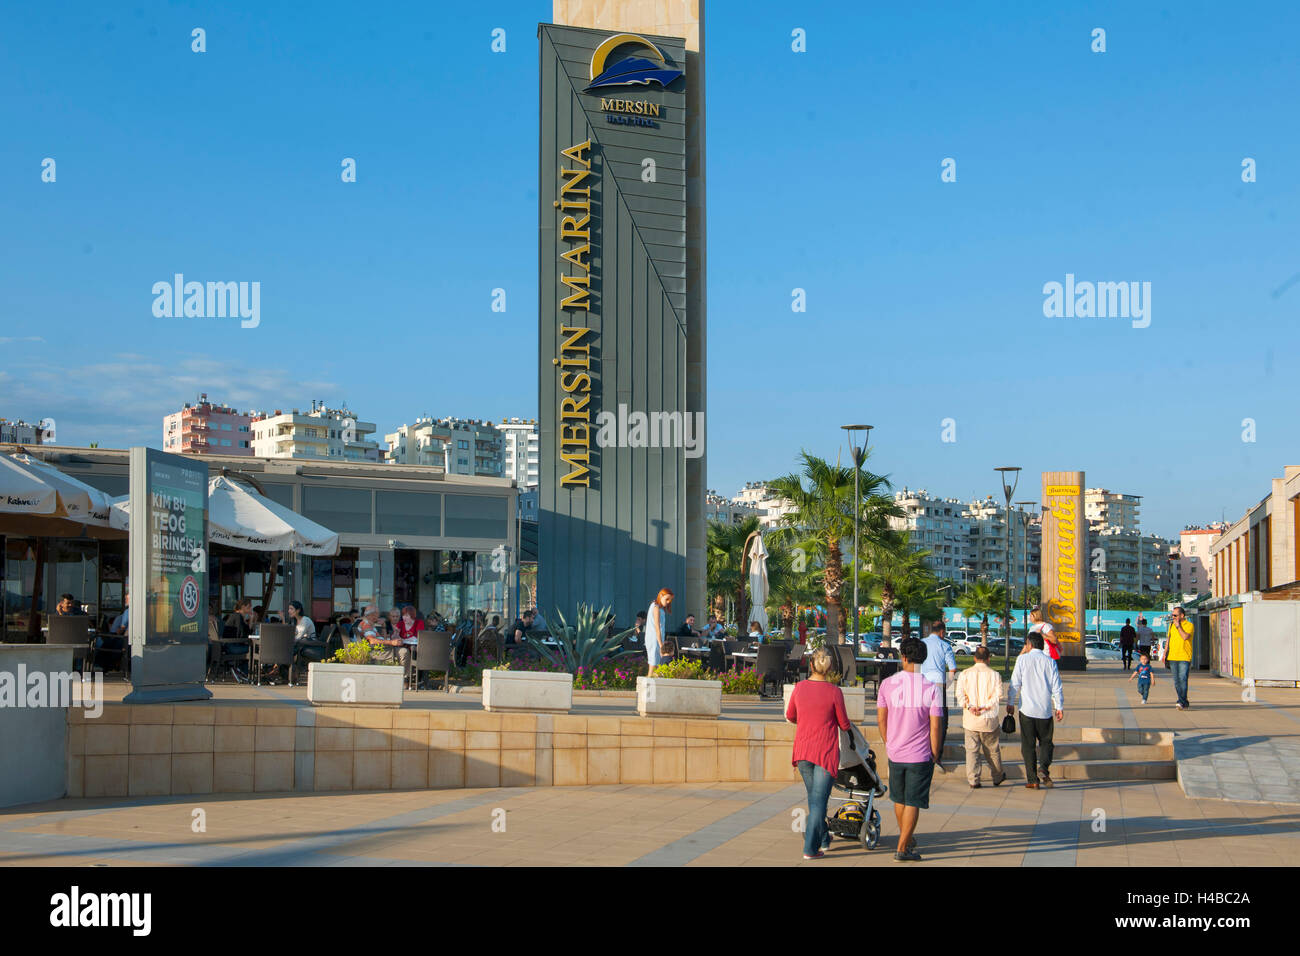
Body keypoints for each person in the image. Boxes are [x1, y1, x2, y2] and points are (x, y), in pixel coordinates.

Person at [877, 636, 943, 862]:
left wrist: (889, 742)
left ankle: (906, 836)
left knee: (899, 798)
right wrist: (935, 751)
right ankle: (903, 847)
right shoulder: (931, 688)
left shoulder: (887, 684)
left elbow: (881, 720)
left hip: (895, 751)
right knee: (913, 800)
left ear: (903, 656)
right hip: (920, 753)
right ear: (922, 658)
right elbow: (935, 725)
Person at [785, 647, 852, 860]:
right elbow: (844, 723)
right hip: (825, 752)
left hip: (803, 751)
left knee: (815, 800)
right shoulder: (834, 692)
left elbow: (790, 715)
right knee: (819, 802)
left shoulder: (800, 687)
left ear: (811, 665)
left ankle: (824, 838)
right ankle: (810, 849)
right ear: (829, 667)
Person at [1008, 632, 1065, 789]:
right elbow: (1056, 686)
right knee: (1046, 742)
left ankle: (1032, 779)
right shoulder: (1050, 662)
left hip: (1026, 710)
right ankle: (1044, 767)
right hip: (1045, 710)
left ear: (1030, 645)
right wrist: (1059, 706)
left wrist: (1010, 702)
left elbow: (1015, 683)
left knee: (1028, 745)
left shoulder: (1022, 659)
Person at [956, 646, 1006, 788]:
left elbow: (959, 695)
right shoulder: (995, 675)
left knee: (972, 751)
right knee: (992, 750)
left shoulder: (964, 674)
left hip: (971, 720)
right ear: (989, 658)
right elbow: (998, 696)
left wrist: (970, 706)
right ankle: (997, 776)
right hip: (989, 719)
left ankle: (973, 780)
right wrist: (985, 707)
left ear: (974, 658)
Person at [920, 620, 957, 772]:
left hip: (921, 686)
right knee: (941, 722)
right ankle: (936, 756)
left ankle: (923, 752)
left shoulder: (921, 643)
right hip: (938, 687)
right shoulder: (945, 646)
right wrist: (947, 684)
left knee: (923, 720)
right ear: (942, 632)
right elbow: (953, 669)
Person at [1166, 606, 1194, 710]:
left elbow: (1185, 636)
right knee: (1176, 681)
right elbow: (1169, 638)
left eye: (1175, 615)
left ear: (1182, 615)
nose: (1173, 617)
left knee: (1183, 679)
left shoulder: (1189, 625)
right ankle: (1184, 701)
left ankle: (1181, 701)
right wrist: (1165, 653)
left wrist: (1178, 626)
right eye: (1172, 615)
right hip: (1173, 656)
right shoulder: (1171, 625)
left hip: (1184, 656)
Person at [645, 588, 672, 671]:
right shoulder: (655, 607)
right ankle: (647, 683)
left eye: (669, 600)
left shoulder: (660, 608)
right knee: (652, 669)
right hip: (654, 640)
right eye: (667, 599)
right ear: (661, 596)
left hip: (658, 640)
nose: (668, 602)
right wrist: (661, 646)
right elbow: (657, 627)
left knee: (657, 668)